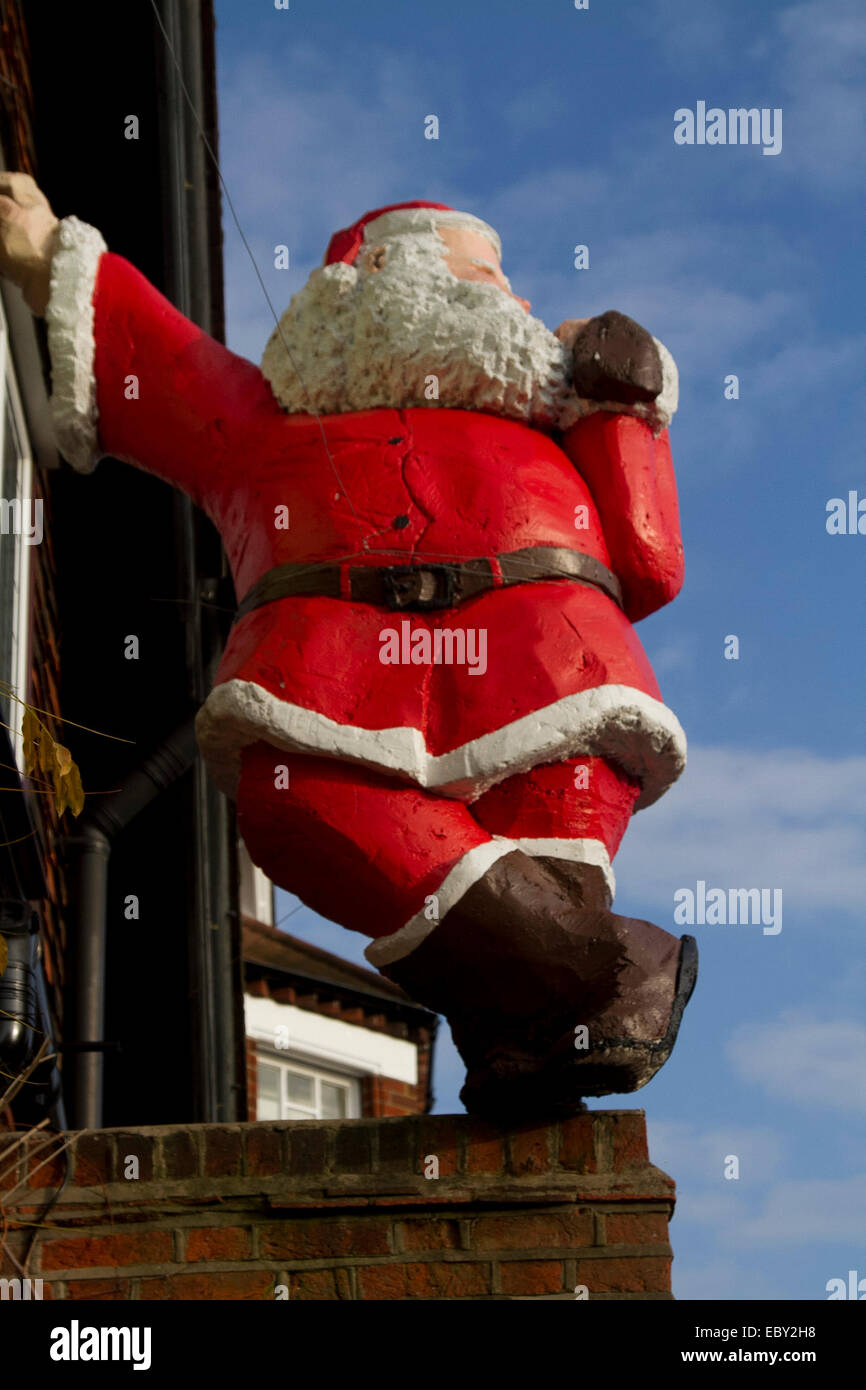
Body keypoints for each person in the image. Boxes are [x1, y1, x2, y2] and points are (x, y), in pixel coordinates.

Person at [0, 180, 696, 1118]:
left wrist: (626, 398)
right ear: (383, 279)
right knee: (300, 805)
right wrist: (50, 254)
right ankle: (613, 976)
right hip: (333, 675)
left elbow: (649, 564)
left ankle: (540, 1048)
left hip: (557, 678)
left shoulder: (562, 427)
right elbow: (162, 361)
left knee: (523, 976)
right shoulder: (265, 422)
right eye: (486, 274)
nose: (518, 302)